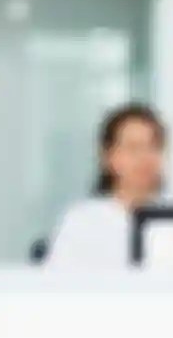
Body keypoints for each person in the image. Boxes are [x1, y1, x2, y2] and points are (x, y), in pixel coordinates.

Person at [45, 104, 166, 269]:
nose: (144, 158)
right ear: (109, 157)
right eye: (133, 148)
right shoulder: (81, 222)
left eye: (153, 147)